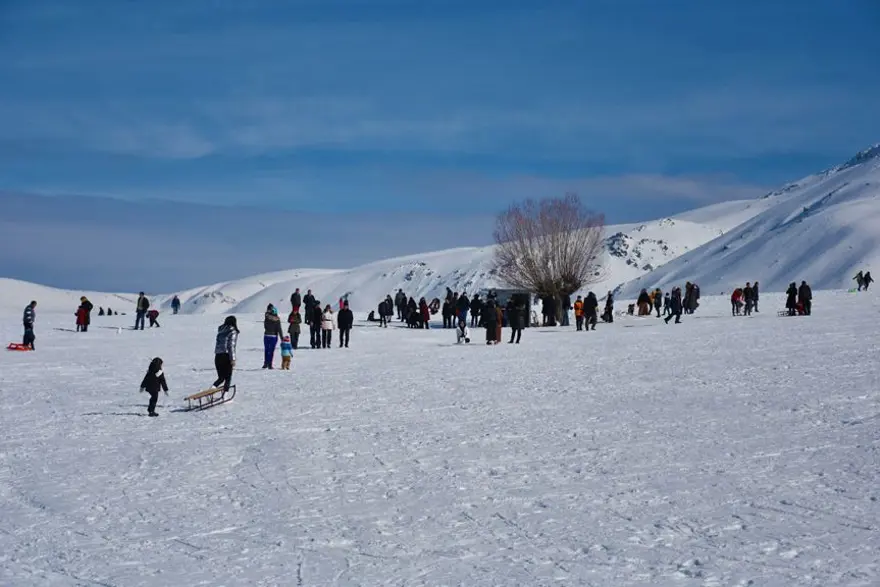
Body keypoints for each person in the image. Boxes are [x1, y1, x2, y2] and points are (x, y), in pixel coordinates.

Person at [213, 316, 238, 393]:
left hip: (218, 356)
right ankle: (225, 395)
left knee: (221, 378)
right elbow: (231, 346)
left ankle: (211, 389)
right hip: (226, 356)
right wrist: (233, 359)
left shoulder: (220, 330)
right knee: (228, 377)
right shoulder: (232, 331)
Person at [263, 304, 283, 368]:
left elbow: (265, 326)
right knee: (271, 351)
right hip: (273, 336)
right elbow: (279, 329)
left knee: (266, 350)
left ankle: (265, 363)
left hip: (266, 335)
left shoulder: (266, 317)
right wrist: (282, 338)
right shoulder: (277, 319)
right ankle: (270, 364)